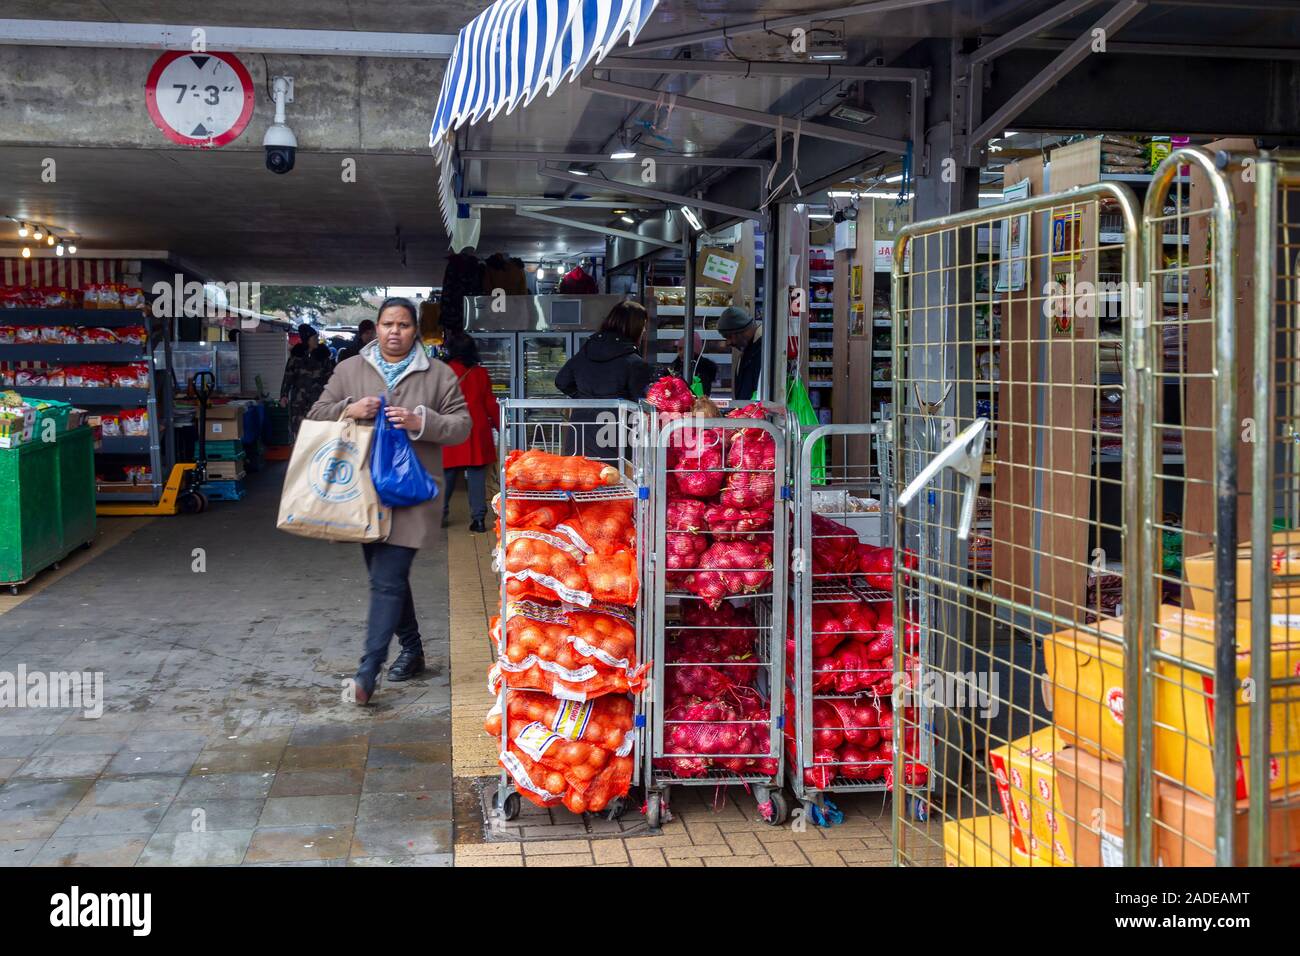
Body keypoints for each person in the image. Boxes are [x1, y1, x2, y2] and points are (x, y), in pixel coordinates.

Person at [307, 298, 472, 705]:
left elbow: (463, 426)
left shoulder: (438, 374)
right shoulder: (349, 370)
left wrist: (422, 421)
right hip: (362, 493)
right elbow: (316, 413)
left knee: (387, 579)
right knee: (388, 579)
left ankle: (367, 672)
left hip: (413, 494)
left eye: (402, 324)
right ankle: (413, 649)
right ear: (376, 328)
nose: (394, 331)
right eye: (386, 324)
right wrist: (350, 408)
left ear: (416, 330)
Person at [555, 300, 654, 459]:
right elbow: (643, 403)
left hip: (578, 441)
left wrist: (586, 398)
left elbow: (561, 381)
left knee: (579, 481)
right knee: (615, 482)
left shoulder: (586, 350)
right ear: (634, 329)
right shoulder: (635, 363)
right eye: (642, 327)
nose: (643, 332)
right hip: (615, 445)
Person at [440, 332, 499, 534]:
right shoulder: (480, 373)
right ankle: (479, 519)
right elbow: (490, 403)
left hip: (451, 426)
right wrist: (502, 425)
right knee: (476, 475)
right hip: (476, 428)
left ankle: (440, 514)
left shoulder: (443, 372)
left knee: (446, 473)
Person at [281, 323, 332, 434]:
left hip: (318, 400)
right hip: (299, 401)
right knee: (298, 430)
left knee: (317, 430)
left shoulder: (323, 356)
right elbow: (288, 377)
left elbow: (331, 379)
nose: (317, 340)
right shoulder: (296, 357)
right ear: (307, 340)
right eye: (314, 338)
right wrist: (284, 395)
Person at [717, 305, 763, 402]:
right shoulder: (747, 352)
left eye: (729, 336)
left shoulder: (763, 350)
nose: (728, 343)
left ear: (740, 331)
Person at [667, 330, 718, 397]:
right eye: (679, 349)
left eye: (682, 349)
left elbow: (703, 393)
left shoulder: (705, 370)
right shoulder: (675, 367)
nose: (680, 353)